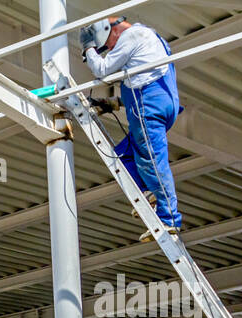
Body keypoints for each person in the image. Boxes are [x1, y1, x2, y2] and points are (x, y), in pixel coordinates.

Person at [78, 16, 182, 239]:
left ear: (112, 31)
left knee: (151, 161)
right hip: (160, 102)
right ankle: (147, 193)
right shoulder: (152, 37)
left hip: (148, 108)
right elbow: (144, 78)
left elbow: (102, 69)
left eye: (109, 45)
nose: (112, 50)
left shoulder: (130, 35)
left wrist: (89, 48)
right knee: (122, 156)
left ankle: (169, 219)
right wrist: (113, 103)